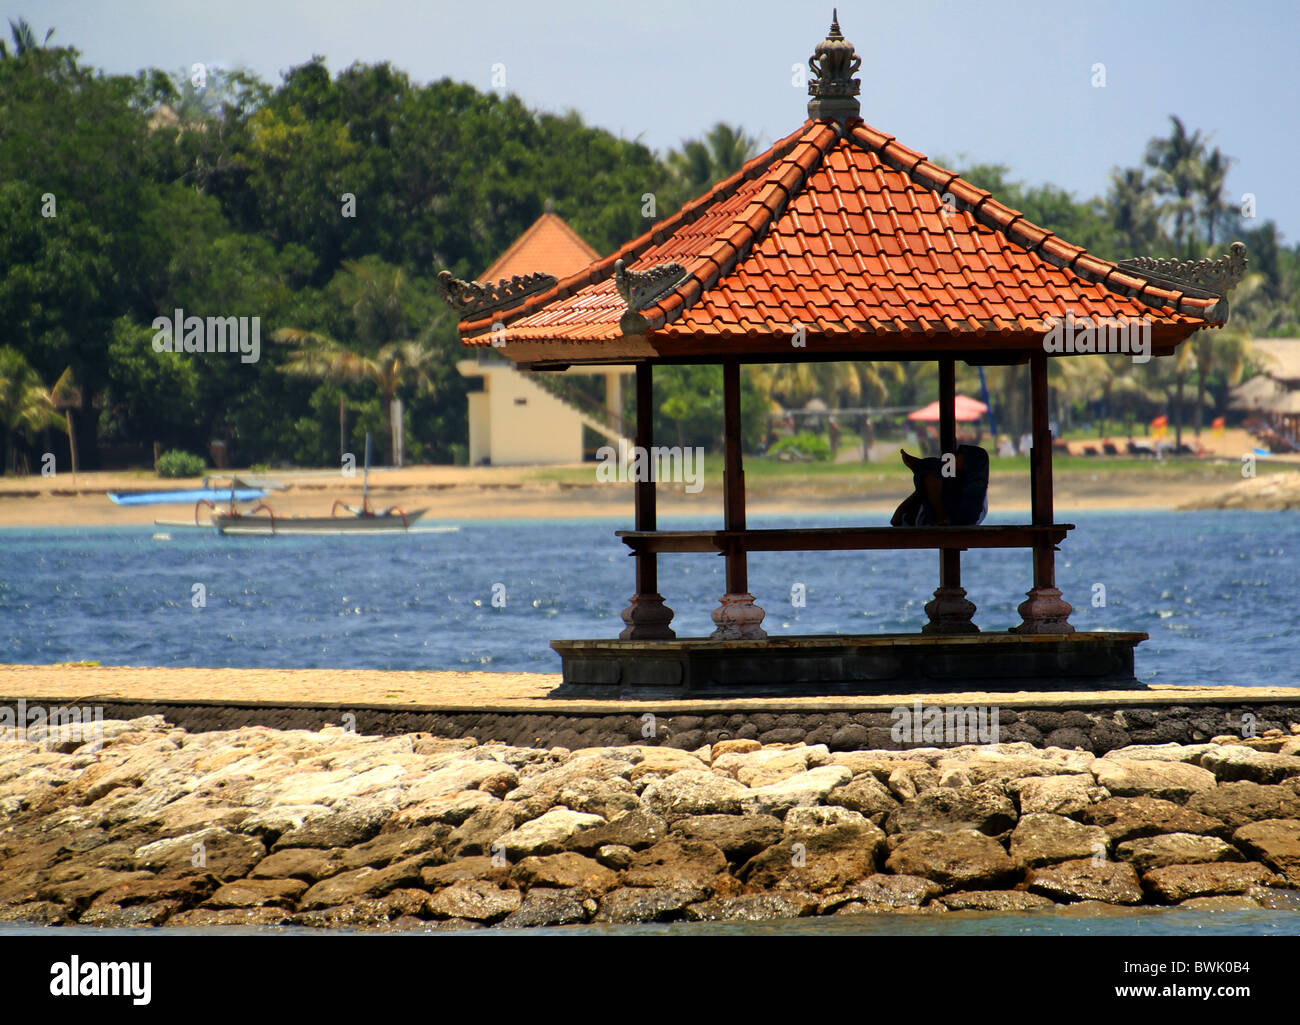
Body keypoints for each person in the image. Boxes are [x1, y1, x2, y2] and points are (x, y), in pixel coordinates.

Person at [890, 444, 989, 526]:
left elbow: (895, 521)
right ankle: (927, 467)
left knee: (931, 473)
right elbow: (896, 521)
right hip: (959, 513)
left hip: (950, 509)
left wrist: (921, 488)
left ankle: (926, 466)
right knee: (979, 457)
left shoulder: (924, 503)